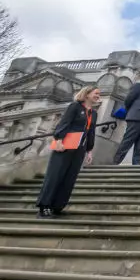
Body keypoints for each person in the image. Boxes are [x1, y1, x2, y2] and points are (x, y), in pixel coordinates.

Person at [37, 86, 100, 218]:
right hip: (65, 146)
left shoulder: (93, 113)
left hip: (79, 149)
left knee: (69, 178)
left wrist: (89, 150)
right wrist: (59, 140)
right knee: (55, 176)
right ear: (87, 94)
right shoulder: (74, 107)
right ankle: (44, 206)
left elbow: (91, 132)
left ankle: (58, 206)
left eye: (98, 94)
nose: (97, 96)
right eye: (96, 93)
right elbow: (64, 123)